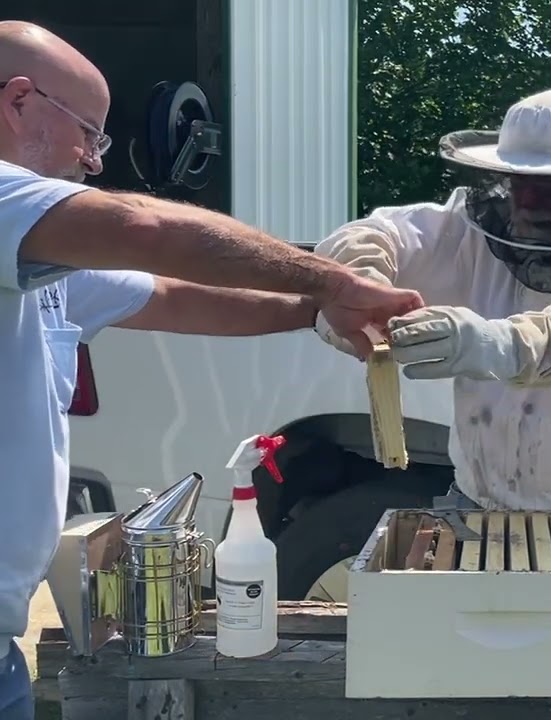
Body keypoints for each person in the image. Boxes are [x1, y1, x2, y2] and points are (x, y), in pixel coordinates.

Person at [0, 21, 423, 719]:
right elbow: (143, 228)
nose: (94, 161)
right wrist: (331, 280)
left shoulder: (34, 251)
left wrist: (321, 312)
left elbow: (172, 296)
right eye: (88, 133)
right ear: (19, 102)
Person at [313, 88, 551, 529]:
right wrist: (360, 278)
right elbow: (382, 231)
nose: (528, 203)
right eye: (519, 183)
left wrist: (498, 343)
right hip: (473, 501)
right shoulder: (475, 228)